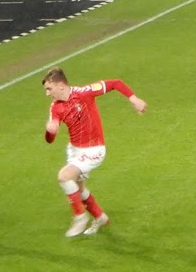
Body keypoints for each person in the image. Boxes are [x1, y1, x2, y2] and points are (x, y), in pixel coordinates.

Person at [42, 67, 147, 237]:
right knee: (77, 188)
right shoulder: (55, 107)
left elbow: (115, 83)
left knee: (64, 177)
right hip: (74, 150)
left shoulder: (84, 93)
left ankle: (80, 216)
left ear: (60, 85)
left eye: (49, 88)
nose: (47, 93)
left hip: (93, 150)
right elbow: (49, 139)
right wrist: (50, 132)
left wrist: (134, 99)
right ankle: (100, 217)